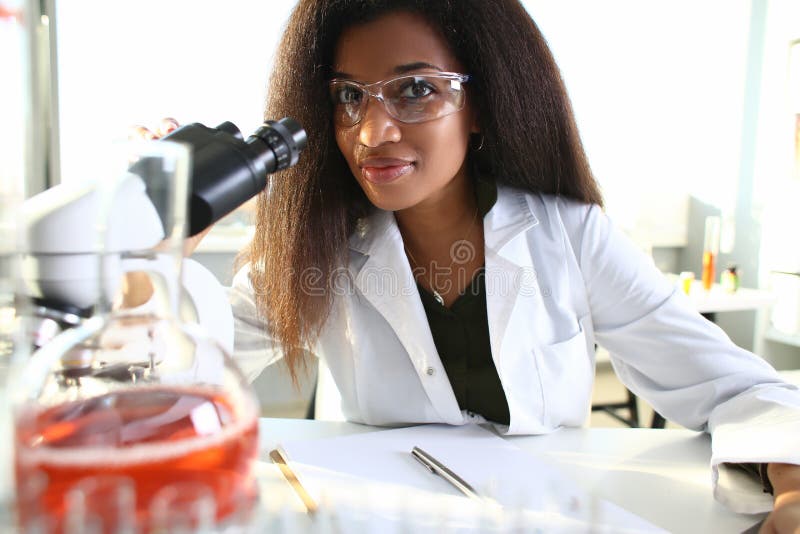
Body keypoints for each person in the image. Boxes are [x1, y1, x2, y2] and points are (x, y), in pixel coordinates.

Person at [133, 0, 800, 530]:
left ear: (480, 107)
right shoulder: (318, 252)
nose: (373, 131)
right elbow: (158, 397)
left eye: (415, 89)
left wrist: (792, 491)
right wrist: (161, 253)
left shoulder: (571, 238)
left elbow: (741, 389)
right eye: (349, 97)